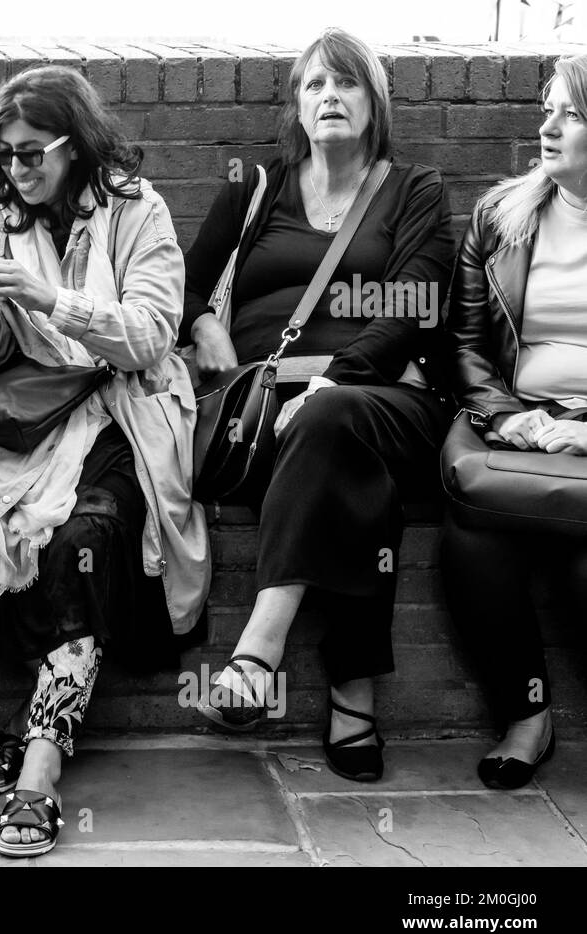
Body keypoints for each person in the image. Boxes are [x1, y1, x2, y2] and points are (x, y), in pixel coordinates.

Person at [0, 65, 210, 857]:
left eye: (33, 152)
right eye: (5, 153)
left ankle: (39, 767)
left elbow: (149, 333)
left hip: (126, 406)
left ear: (75, 147)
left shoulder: (136, 211)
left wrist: (51, 300)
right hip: (35, 414)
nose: (17, 169)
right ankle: (33, 714)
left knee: (87, 539)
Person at [183, 28, 454, 782]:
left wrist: (338, 377)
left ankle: (257, 653)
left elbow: (415, 304)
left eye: (348, 85)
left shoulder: (415, 189)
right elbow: (186, 285)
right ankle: (352, 695)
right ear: (297, 107)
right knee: (345, 463)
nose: (330, 98)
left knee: (333, 421)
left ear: (375, 104)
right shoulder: (257, 189)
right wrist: (205, 324)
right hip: (260, 413)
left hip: (389, 397)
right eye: (315, 86)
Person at [441, 53, 587, 790]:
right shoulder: (501, 217)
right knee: (473, 538)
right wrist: (513, 419)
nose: (549, 125)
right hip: (521, 429)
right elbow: (465, 348)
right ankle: (527, 716)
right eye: (547, 107)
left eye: (572, 113)